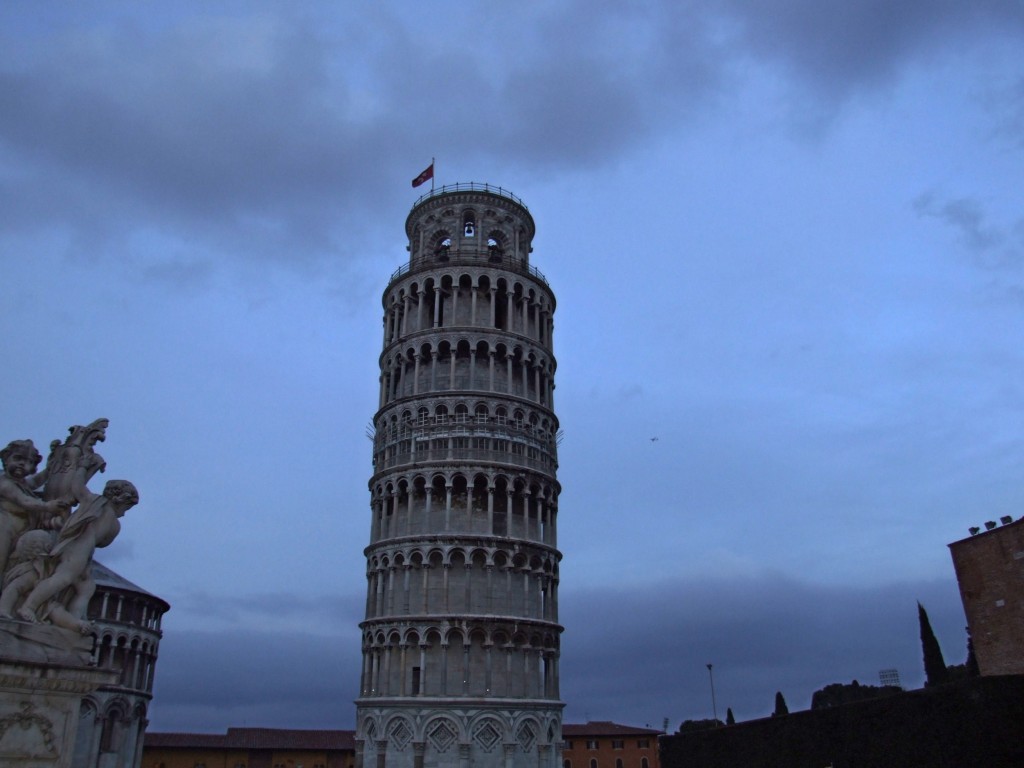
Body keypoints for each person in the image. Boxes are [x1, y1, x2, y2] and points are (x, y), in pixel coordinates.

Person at [16, 479, 138, 626]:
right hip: (77, 547)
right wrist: (83, 467)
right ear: (119, 499)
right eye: (126, 508)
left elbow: (103, 542)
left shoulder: (113, 521)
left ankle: (75, 621)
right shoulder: (94, 501)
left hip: (87, 553)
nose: (124, 514)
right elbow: (76, 486)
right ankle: (28, 607)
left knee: (86, 587)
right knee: (64, 578)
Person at [0, 440, 69, 579]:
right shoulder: (5, 483)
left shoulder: (24, 483)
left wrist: (50, 468)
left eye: (28, 462)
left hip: (22, 529)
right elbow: (24, 501)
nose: (22, 463)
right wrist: (47, 506)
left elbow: (37, 481)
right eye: (17, 458)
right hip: (5, 526)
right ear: (6, 460)